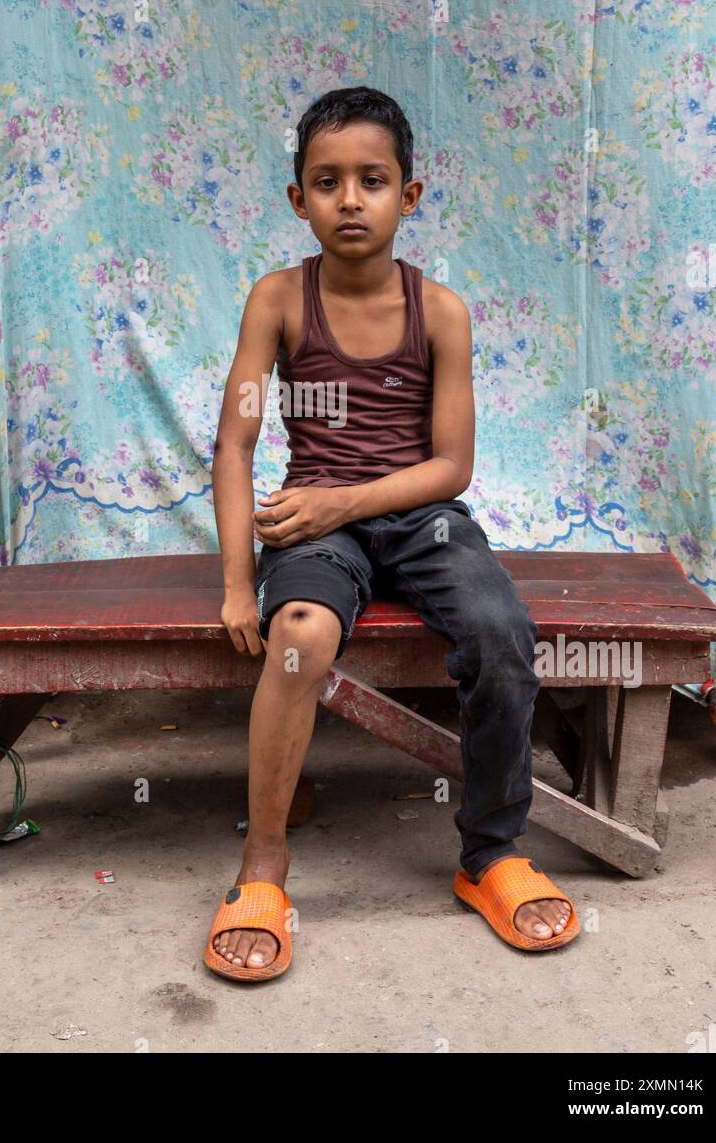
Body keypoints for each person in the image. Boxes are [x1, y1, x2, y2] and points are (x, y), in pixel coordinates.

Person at [207, 86, 579, 980]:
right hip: (312, 525)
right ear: (297, 199)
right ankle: (262, 867)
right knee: (299, 636)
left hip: (420, 522)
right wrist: (233, 583)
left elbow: (450, 467)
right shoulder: (277, 300)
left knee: (499, 631)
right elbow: (236, 440)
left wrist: (347, 501)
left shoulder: (440, 312)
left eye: (371, 180)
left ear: (407, 196)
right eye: (325, 182)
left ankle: (490, 854)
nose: (348, 199)